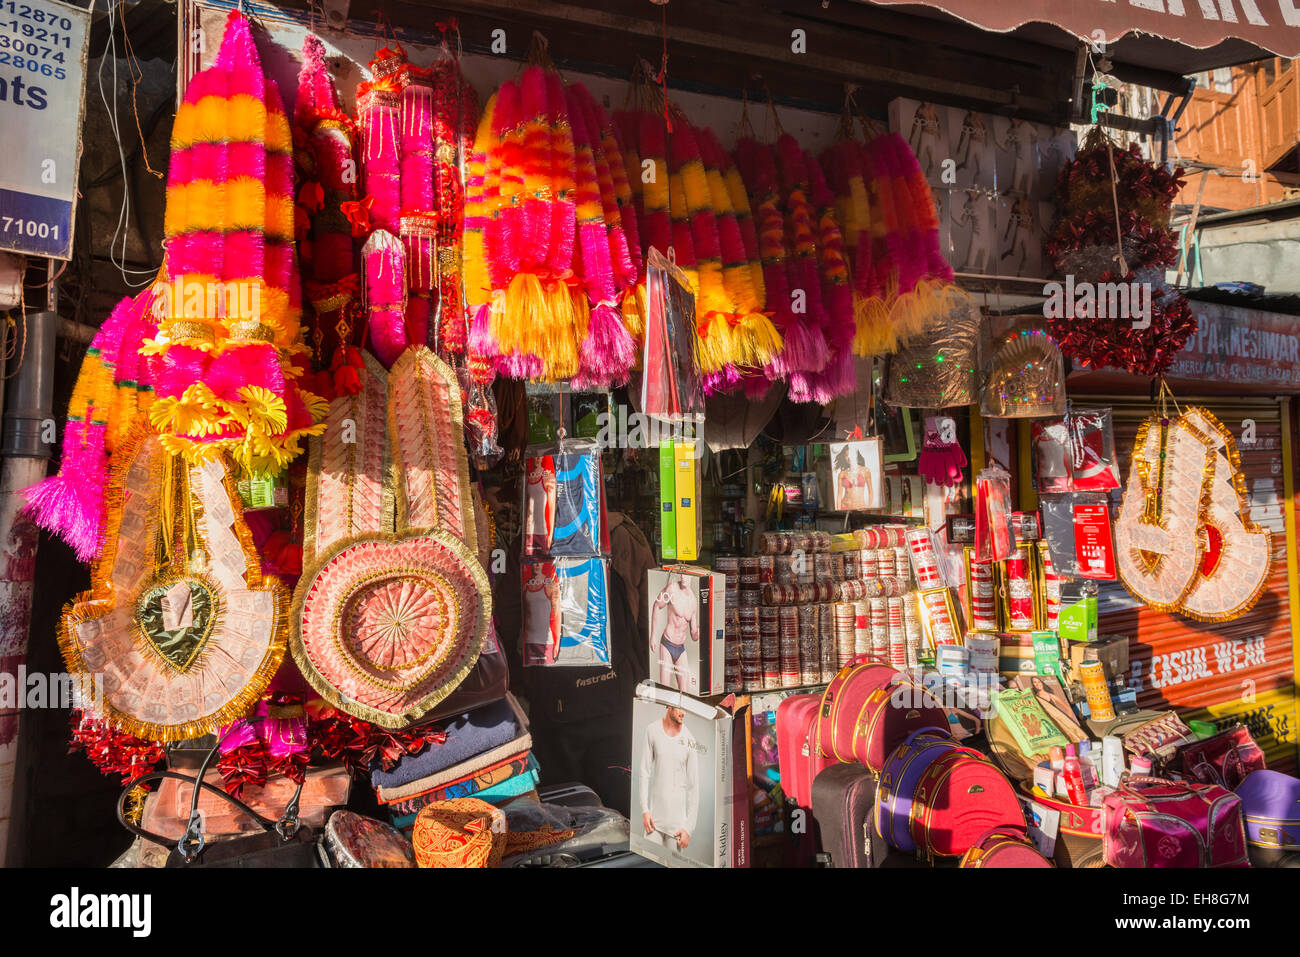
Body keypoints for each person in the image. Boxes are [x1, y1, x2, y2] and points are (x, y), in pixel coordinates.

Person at [638, 704, 698, 852]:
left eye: (685, 708)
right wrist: (644, 810)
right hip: (654, 823)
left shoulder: (690, 740)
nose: (683, 713)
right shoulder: (652, 730)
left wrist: (689, 828)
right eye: (680, 708)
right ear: (669, 705)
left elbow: (693, 787)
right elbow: (644, 772)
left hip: (677, 828)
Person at [650, 575, 698, 690]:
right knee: (665, 689)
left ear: (691, 576)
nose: (683, 577)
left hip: (681, 648)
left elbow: (694, 635)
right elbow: (657, 606)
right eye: (681, 574)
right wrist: (653, 636)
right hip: (667, 643)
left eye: (686, 575)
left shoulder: (693, 600)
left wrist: (701, 631)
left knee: (685, 693)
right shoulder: (672, 589)